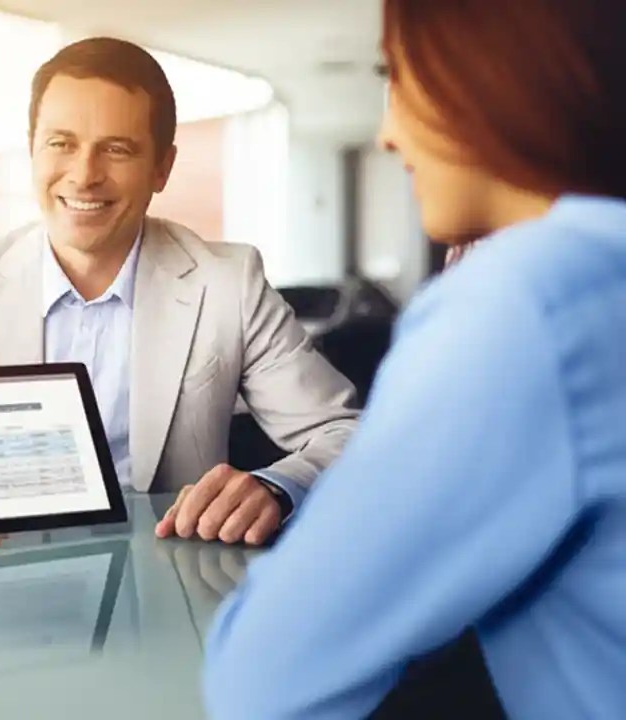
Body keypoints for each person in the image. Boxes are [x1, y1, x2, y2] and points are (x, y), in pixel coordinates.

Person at [203, 1, 626, 717]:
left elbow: (266, 678)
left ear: (488, 77)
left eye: (399, 79)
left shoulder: (524, 299)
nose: (388, 133)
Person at [0, 37, 358, 557]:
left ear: (161, 168)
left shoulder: (228, 283)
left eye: (116, 149)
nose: (84, 175)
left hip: (167, 574)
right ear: (32, 150)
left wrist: (277, 487)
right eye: (61, 144)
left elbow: (345, 433)